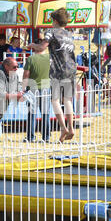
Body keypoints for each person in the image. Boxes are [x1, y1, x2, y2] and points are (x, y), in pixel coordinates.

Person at [27, 8, 77, 143]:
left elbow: (42, 47)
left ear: (54, 21)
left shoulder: (51, 32)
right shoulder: (69, 34)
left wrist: (32, 45)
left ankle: (63, 127)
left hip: (58, 70)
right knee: (67, 100)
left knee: (55, 100)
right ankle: (70, 128)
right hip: (71, 69)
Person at [22, 39, 51, 143]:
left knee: (32, 113)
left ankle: (30, 137)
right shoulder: (49, 58)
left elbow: (26, 75)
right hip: (46, 87)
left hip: (33, 88)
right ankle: (46, 137)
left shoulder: (31, 59)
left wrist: (23, 88)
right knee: (45, 113)